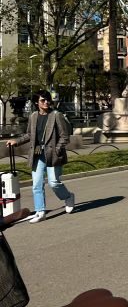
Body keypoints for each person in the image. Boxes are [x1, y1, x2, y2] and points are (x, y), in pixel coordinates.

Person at [5, 90, 75, 223]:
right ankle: (40, 211)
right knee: (37, 184)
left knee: (54, 182)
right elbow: (29, 135)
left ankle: (68, 196)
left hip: (53, 154)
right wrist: (16, 141)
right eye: (43, 100)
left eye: (48, 99)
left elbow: (65, 136)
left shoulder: (56, 115)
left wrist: (57, 149)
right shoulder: (33, 116)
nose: (46, 102)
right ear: (37, 103)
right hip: (37, 154)